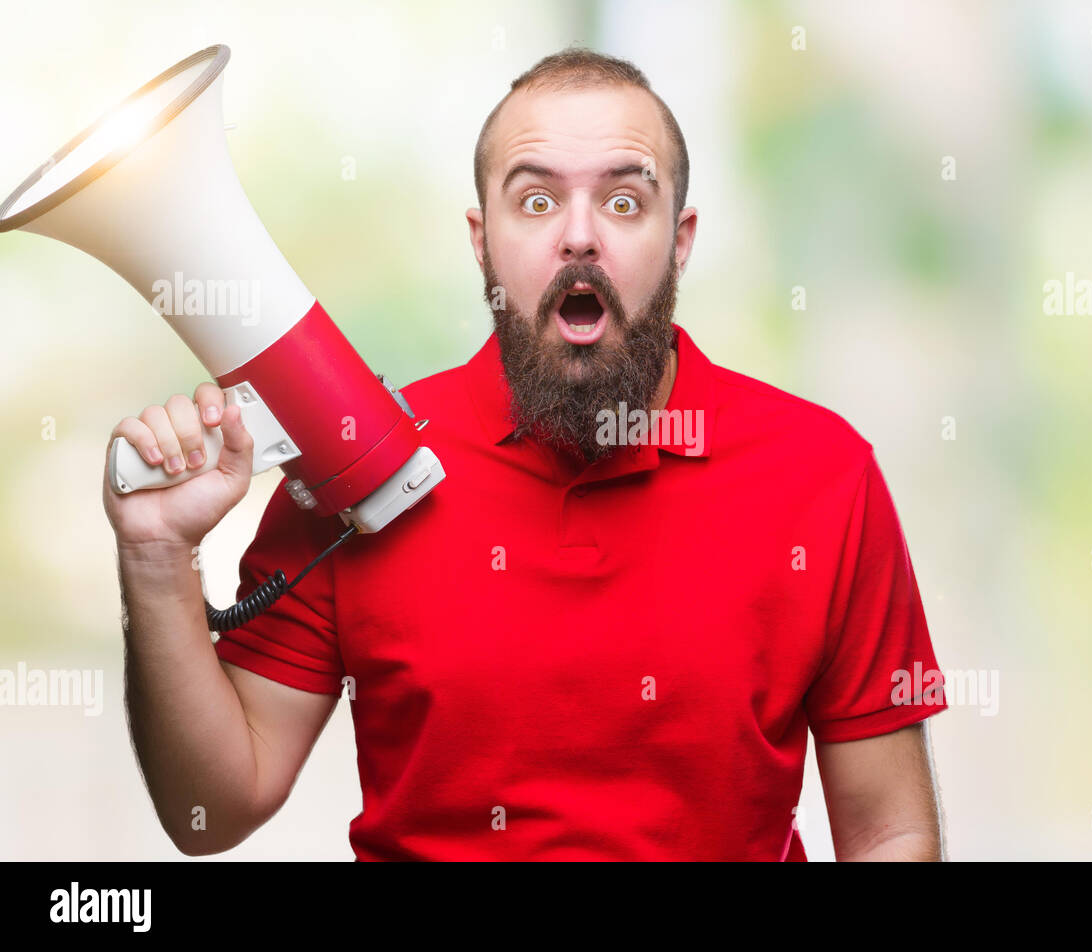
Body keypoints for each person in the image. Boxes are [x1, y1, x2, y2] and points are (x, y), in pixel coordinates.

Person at [104, 47, 949, 861]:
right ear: (482, 240)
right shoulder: (356, 466)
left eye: (624, 202)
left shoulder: (821, 473)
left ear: (681, 239)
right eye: (536, 202)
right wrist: (154, 556)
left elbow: (891, 836)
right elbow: (208, 812)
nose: (579, 238)